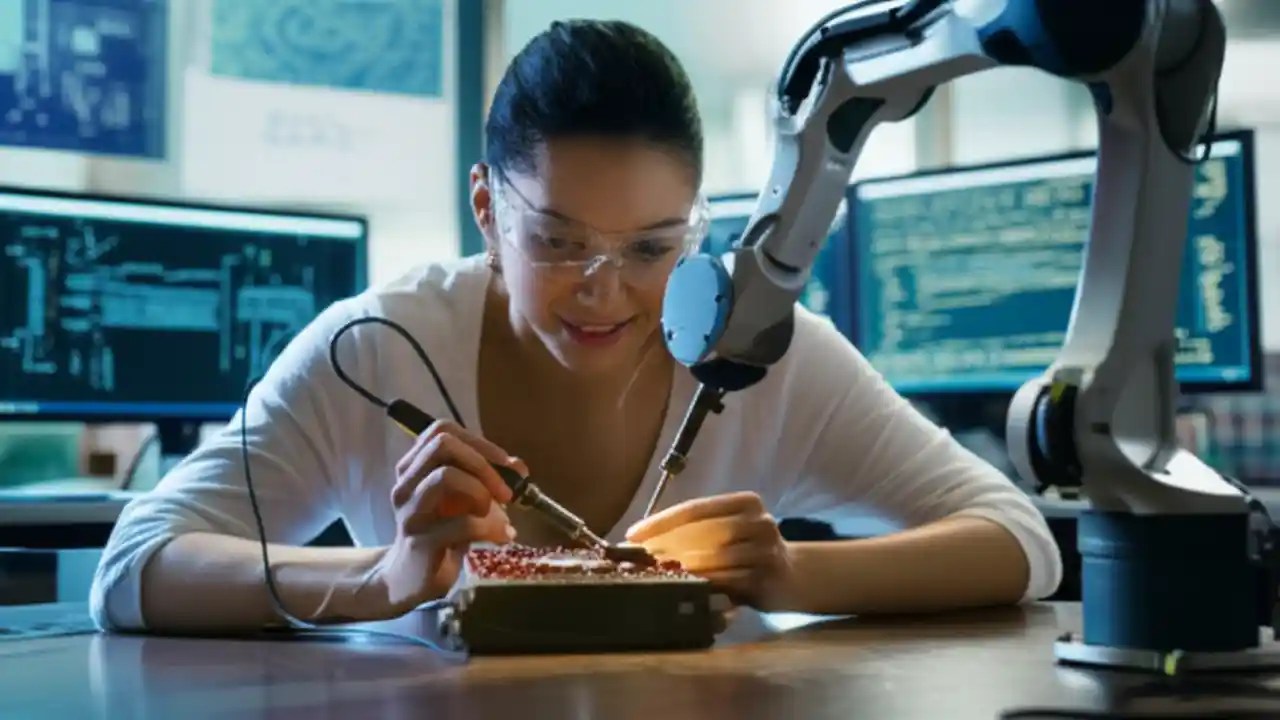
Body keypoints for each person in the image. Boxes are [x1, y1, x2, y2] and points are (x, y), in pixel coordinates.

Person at [90, 19, 1062, 634]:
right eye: (556, 242)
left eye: (650, 250)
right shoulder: (380, 346)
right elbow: (135, 568)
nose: (602, 296)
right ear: (484, 209)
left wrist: (790, 571)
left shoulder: (759, 353)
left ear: (701, 228)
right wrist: (386, 578)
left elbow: (1018, 541)